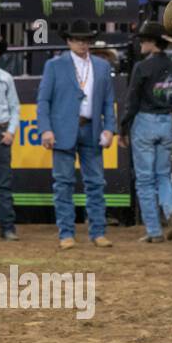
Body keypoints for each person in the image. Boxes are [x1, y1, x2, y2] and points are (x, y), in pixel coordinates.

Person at [38, 20, 117, 249]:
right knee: (63, 183)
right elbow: (44, 100)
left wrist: (110, 128)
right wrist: (45, 129)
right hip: (62, 130)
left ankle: (98, 232)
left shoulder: (101, 66)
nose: (82, 44)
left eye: (85, 40)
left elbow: (108, 101)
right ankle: (66, 234)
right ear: (69, 41)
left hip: (91, 129)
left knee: (95, 183)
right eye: (77, 40)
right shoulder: (54, 66)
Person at [120, 22, 172, 243]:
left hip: (145, 122)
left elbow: (132, 100)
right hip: (166, 121)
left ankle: (154, 231)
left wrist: (123, 127)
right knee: (162, 174)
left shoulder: (142, 68)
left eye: (143, 41)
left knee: (145, 180)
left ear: (151, 42)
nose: (141, 45)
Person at [0, 37, 19, 241]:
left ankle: (7, 228)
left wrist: (10, 131)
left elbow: (15, 108)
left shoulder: (6, 78)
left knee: (3, 182)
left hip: (0, 133)